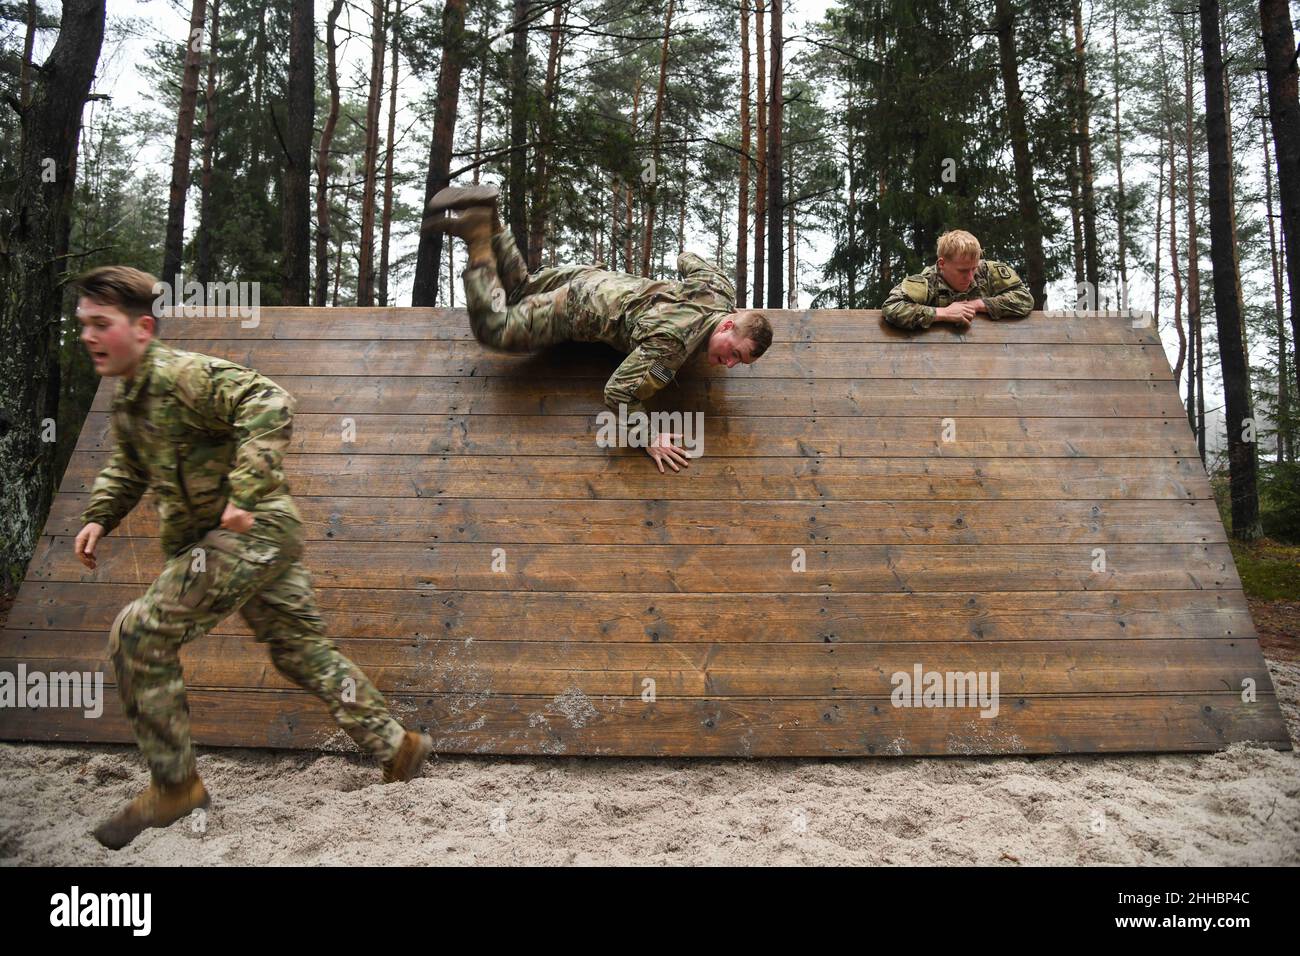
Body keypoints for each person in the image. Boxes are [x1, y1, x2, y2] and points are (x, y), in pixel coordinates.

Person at [71, 266, 433, 850]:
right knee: (301, 652)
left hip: (246, 533)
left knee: (138, 635)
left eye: (99, 324)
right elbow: (131, 465)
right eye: (83, 324)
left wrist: (243, 492)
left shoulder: (185, 375)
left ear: (141, 328)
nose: (87, 336)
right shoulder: (131, 402)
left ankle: (175, 787)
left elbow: (270, 401)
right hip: (262, 537)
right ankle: (397, 746)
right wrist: (100, 515)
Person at [423, 185, 773, 473]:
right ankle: (479, 240)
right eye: (734, 353)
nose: (729, 364)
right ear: (728, 325)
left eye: (738, 363)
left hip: (598, 277)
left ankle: (488, 215)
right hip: (577, 307)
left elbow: (686, 258)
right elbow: (619, 392)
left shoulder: (720, 290)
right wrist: (649, 436)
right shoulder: (671, 346)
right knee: (493, 329)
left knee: (518, 290)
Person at [881, 229, 1034, 331]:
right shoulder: (927, 282)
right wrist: (942, 313)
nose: (970, 277)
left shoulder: (989, 271)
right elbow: (892, 307)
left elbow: (1025, 298)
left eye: (973, 268)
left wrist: (978, 305)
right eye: (962, 271)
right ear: (942, 264)